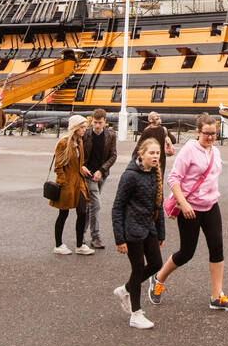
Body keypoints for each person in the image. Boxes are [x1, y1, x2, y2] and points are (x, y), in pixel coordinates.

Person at [148, 113, 228, 312]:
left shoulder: (215, 151)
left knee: (217, 247)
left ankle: (217, 296)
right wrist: (184, 204)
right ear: (198, 132)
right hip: (189, 208)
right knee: (186, 252)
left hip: (211, 205)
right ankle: (159, 278)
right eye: (207, 134)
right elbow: (173, 179)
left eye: (214, 134)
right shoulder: (189, 150)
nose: (211, 138)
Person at [112, 137, 166, 330]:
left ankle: (125, 289)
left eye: (158, 153)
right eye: (151, 153)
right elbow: (117, 207)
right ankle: (136, 313)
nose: (155, 156)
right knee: (137, 269)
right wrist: (119, 238)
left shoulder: (153, 174)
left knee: (156, 264)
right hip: (132, 229)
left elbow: (157, 205)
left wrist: (161, 233)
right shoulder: (130, 176)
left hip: (148, 227)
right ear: (141, 154)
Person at [49, 114, 92, 255]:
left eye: (85, 127)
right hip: (67, 182)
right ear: (75, 128)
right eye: (82, 127)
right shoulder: (63, 143)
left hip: (78, 181)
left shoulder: (79, 141)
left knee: (82, 212)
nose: (85, 129)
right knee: (63, 213)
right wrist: (63, 182)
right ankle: (58, 244)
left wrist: (82, 169)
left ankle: (80, 244)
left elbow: (79, 162)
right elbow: (58, 166)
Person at [80, 108, 116, 251]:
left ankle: (81, 233)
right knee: (96, 204)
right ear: (91, 120)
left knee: (90, 206)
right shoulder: (86, 135)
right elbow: (80, 153)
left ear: (105, 122)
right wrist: (82, 166)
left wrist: (101, 171)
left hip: (101, 174)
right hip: (88, 175)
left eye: (100, 123)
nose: (97, 126)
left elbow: (113, 155)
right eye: (95, 122)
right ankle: (95, 236)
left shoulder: (111, 136)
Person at [132, 111, 177, 177]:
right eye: (157, 118)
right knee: (159, 180)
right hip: (161, 160)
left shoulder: (147, 131)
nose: (159, 120)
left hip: (150, 159)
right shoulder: (164, 130)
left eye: (159, 118)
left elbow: (139, 145)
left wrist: (134, 157)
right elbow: (174, 140)